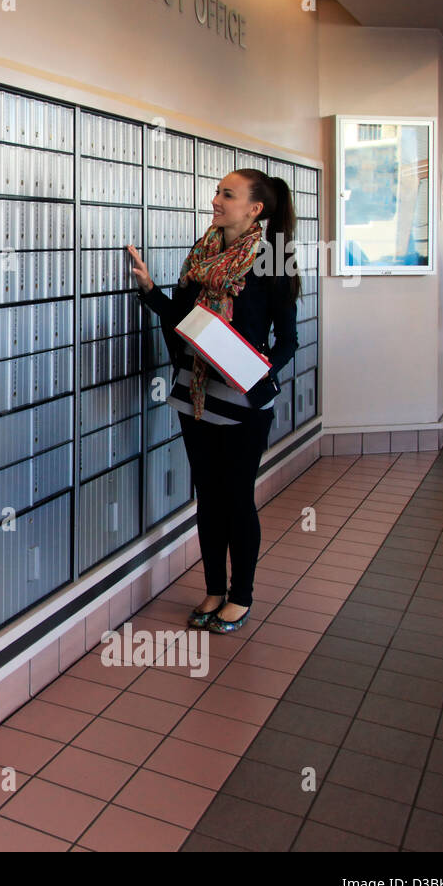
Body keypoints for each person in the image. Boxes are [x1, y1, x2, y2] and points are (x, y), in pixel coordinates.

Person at [126, 169, 299, 633]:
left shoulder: (272, 261)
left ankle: (241, 596)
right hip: (195, 395)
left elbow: (288, 340)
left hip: (242, 401)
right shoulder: (202, 253)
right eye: (218, 192)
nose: (216, 200)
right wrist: (150, 291)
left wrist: (255, 371)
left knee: (237, 498)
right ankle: (214, 590)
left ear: (254, 209)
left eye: (227, 194)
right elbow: (183, 319)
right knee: (207, 496)